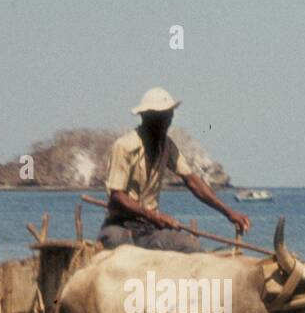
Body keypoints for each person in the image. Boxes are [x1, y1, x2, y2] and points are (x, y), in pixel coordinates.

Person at [97, 87, 251, 251]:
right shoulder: (125, 146)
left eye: (169, 115)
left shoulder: (167, 146)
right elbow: (117, 197)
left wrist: (229, 213)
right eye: (162, 116)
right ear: (146, 116)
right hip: (120, 226)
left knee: (191, 247)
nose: (167, 121)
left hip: (149, 230)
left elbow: (192, 181)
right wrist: (152, 215)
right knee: (122, 255)